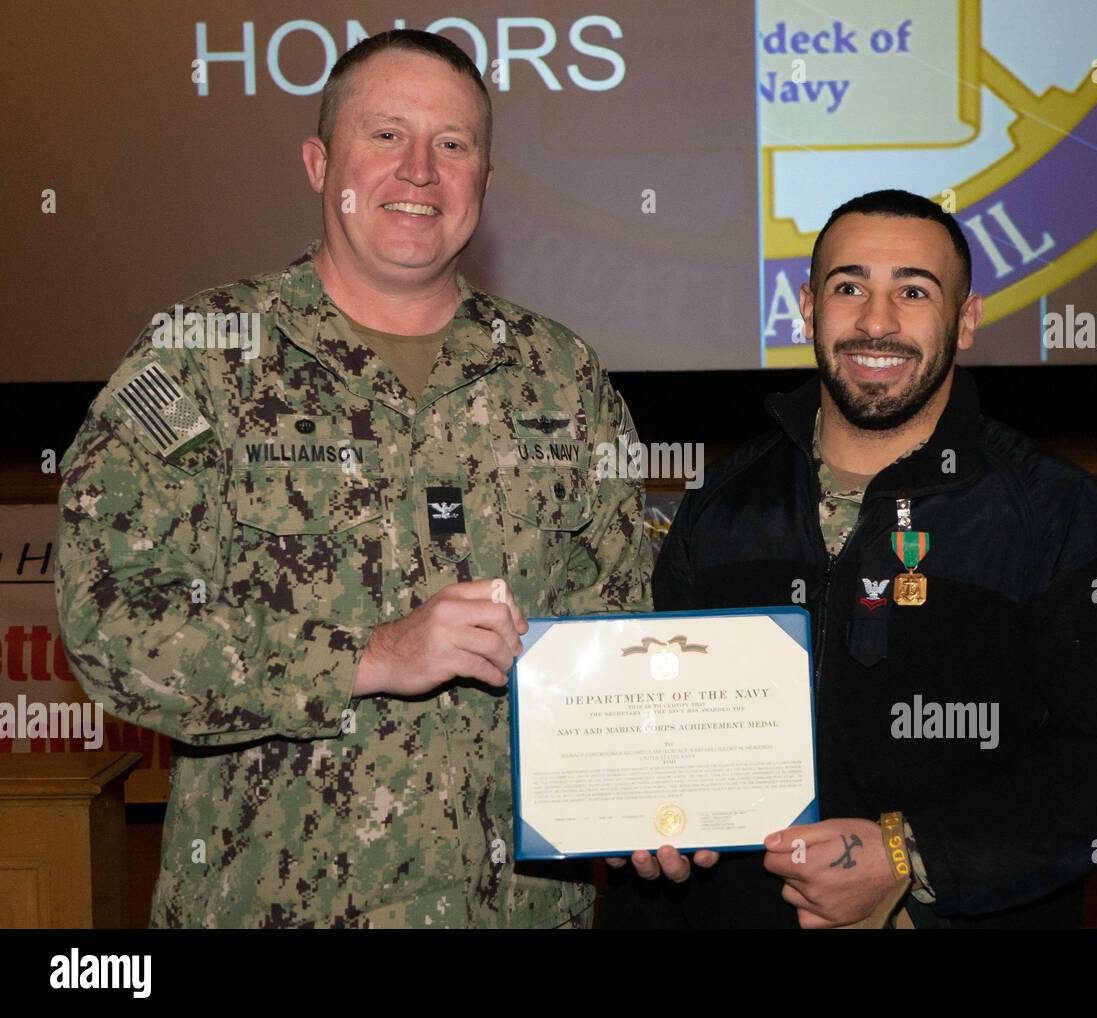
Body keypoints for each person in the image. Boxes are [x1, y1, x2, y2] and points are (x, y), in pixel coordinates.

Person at [53, 30, 651, 928]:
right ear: (318, 160)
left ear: (483, 181)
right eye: (385, 136)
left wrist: (656, 793)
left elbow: (619, 634)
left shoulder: (562, 377)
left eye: (452, 145)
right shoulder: (200, 359)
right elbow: (110, 623)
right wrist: (369, 657)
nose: (419, 172)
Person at [603, 189, 1097, 929]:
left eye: (913, 290)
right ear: (809, 311)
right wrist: (648, 817)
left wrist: (909, 856)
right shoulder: (720, 507)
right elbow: (663, 731)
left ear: (966, 319)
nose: (876, 322)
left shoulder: (1060, 518)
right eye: (850, 288)